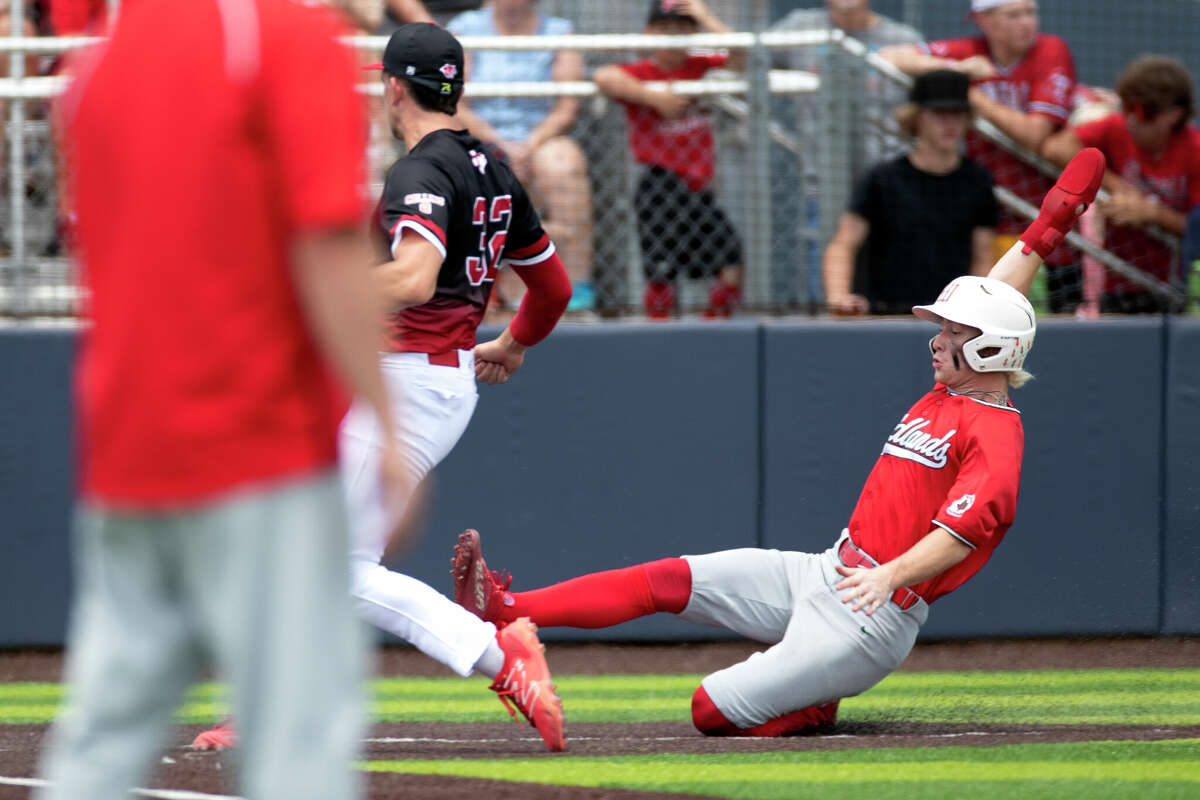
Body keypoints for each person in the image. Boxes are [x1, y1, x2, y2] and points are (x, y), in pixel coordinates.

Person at [450, 149, 1107, 737]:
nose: (936, 339)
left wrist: (889, 576)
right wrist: (1055, 219)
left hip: (873, 615)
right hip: (830, 571)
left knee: (709, 710)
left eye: (953, 333)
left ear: (989, 348)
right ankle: (506, 609)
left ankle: (814, 702)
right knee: (670, 579)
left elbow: (958, 535)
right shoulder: (955, 388)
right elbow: (1000, 292)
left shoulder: (994, 430)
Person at [34, 1, 406, 798]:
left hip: (124, 457)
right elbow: (327, 243)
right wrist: (391, 430)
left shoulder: (97, 57)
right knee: (299, 746)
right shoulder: (286, 38)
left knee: (99, 744)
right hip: (259, 448)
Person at [191, 22, 572, 754]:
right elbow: (551, 290)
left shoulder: (420, 171)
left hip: (406, 383)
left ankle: (502, 656)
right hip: (432, 378)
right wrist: (513, 346)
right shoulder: (492, 167)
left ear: (393, 86)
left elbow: (412, 276)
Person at [882, 0, 1080, 312]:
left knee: (1046, 320)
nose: (1027, 22)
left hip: (1047, 212)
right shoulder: (970, 51)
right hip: (990, 210)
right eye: (1013, 15)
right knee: (986, 315)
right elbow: (887, 57)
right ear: (983, 21)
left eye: (1030, 12)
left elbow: (1034, 134)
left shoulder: (1050, 49)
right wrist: (956, 70)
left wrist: (968, 94)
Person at [594, 0, 745, 319]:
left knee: (731, 262)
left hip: (699, 188)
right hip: (660, 183)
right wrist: (655, 98)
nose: (674, 37)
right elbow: (604, 77)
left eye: (682, 29)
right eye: (665, 30)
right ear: (649, 33)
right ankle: (659, 329)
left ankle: (712, 327)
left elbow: (742, 56)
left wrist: (705, 16)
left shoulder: (699, 66)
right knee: (660, 272)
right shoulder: (644, 73)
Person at [448, 0, 596, 313]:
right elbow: (455, 104)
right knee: (469, 167)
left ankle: (576, 288)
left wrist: (529, 145)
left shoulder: (559, 33)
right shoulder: (466, 29)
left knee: (563, 165)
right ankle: (479, 291)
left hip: (540, 137)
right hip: (480, 136)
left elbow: (567, 107)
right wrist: (500, 144)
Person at [824, 69, 998, 316]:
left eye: (958, 114)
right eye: (939, 114)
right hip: (884, 317)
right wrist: (839, 297)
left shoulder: (978, 181)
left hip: (948, 320)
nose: (951, 123)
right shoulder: (882, 179)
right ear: (916, 118)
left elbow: (982, 257)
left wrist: (976, 311)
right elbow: (843, 243)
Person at [1043, 55, 1200, 314]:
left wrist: (1151, 214)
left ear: (1174, 115)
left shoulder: (1193, 150)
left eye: (1142, 112)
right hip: (1116, 279)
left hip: (1170, 285)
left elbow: (1196, 227)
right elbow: (1056, 148)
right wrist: (1118, 187)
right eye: (1126, 107)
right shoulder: (1116, 128)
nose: (1131, 119)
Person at [770, 0, 923, 169]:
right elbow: (751, 58)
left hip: (888, 176)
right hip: (821, 178)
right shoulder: (801, 27)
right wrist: (736, 48)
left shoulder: (903, 39)